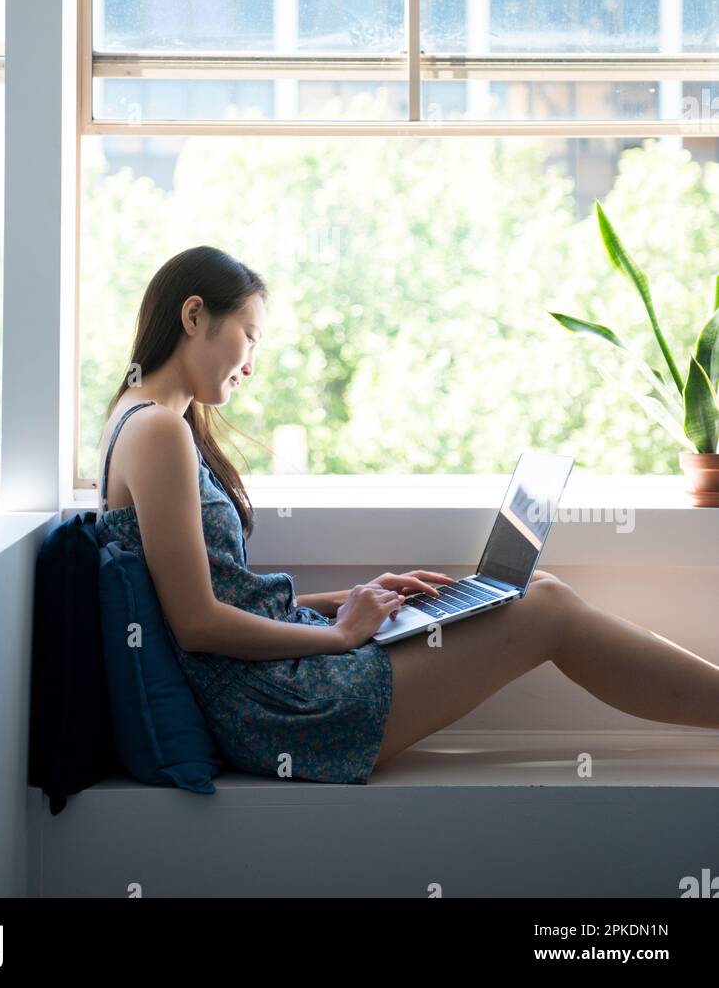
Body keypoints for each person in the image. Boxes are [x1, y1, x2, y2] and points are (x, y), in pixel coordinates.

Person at [95, 245, 719, 784]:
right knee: (547, 610)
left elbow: (221, 597)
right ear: (195, 314)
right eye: (250, 336)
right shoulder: (158, 432)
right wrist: (341, 634)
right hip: (277, 710)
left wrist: (356, 596)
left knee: (539, 590)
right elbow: (197, 623)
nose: (252, 362)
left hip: (271, 689)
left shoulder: (138, 419)